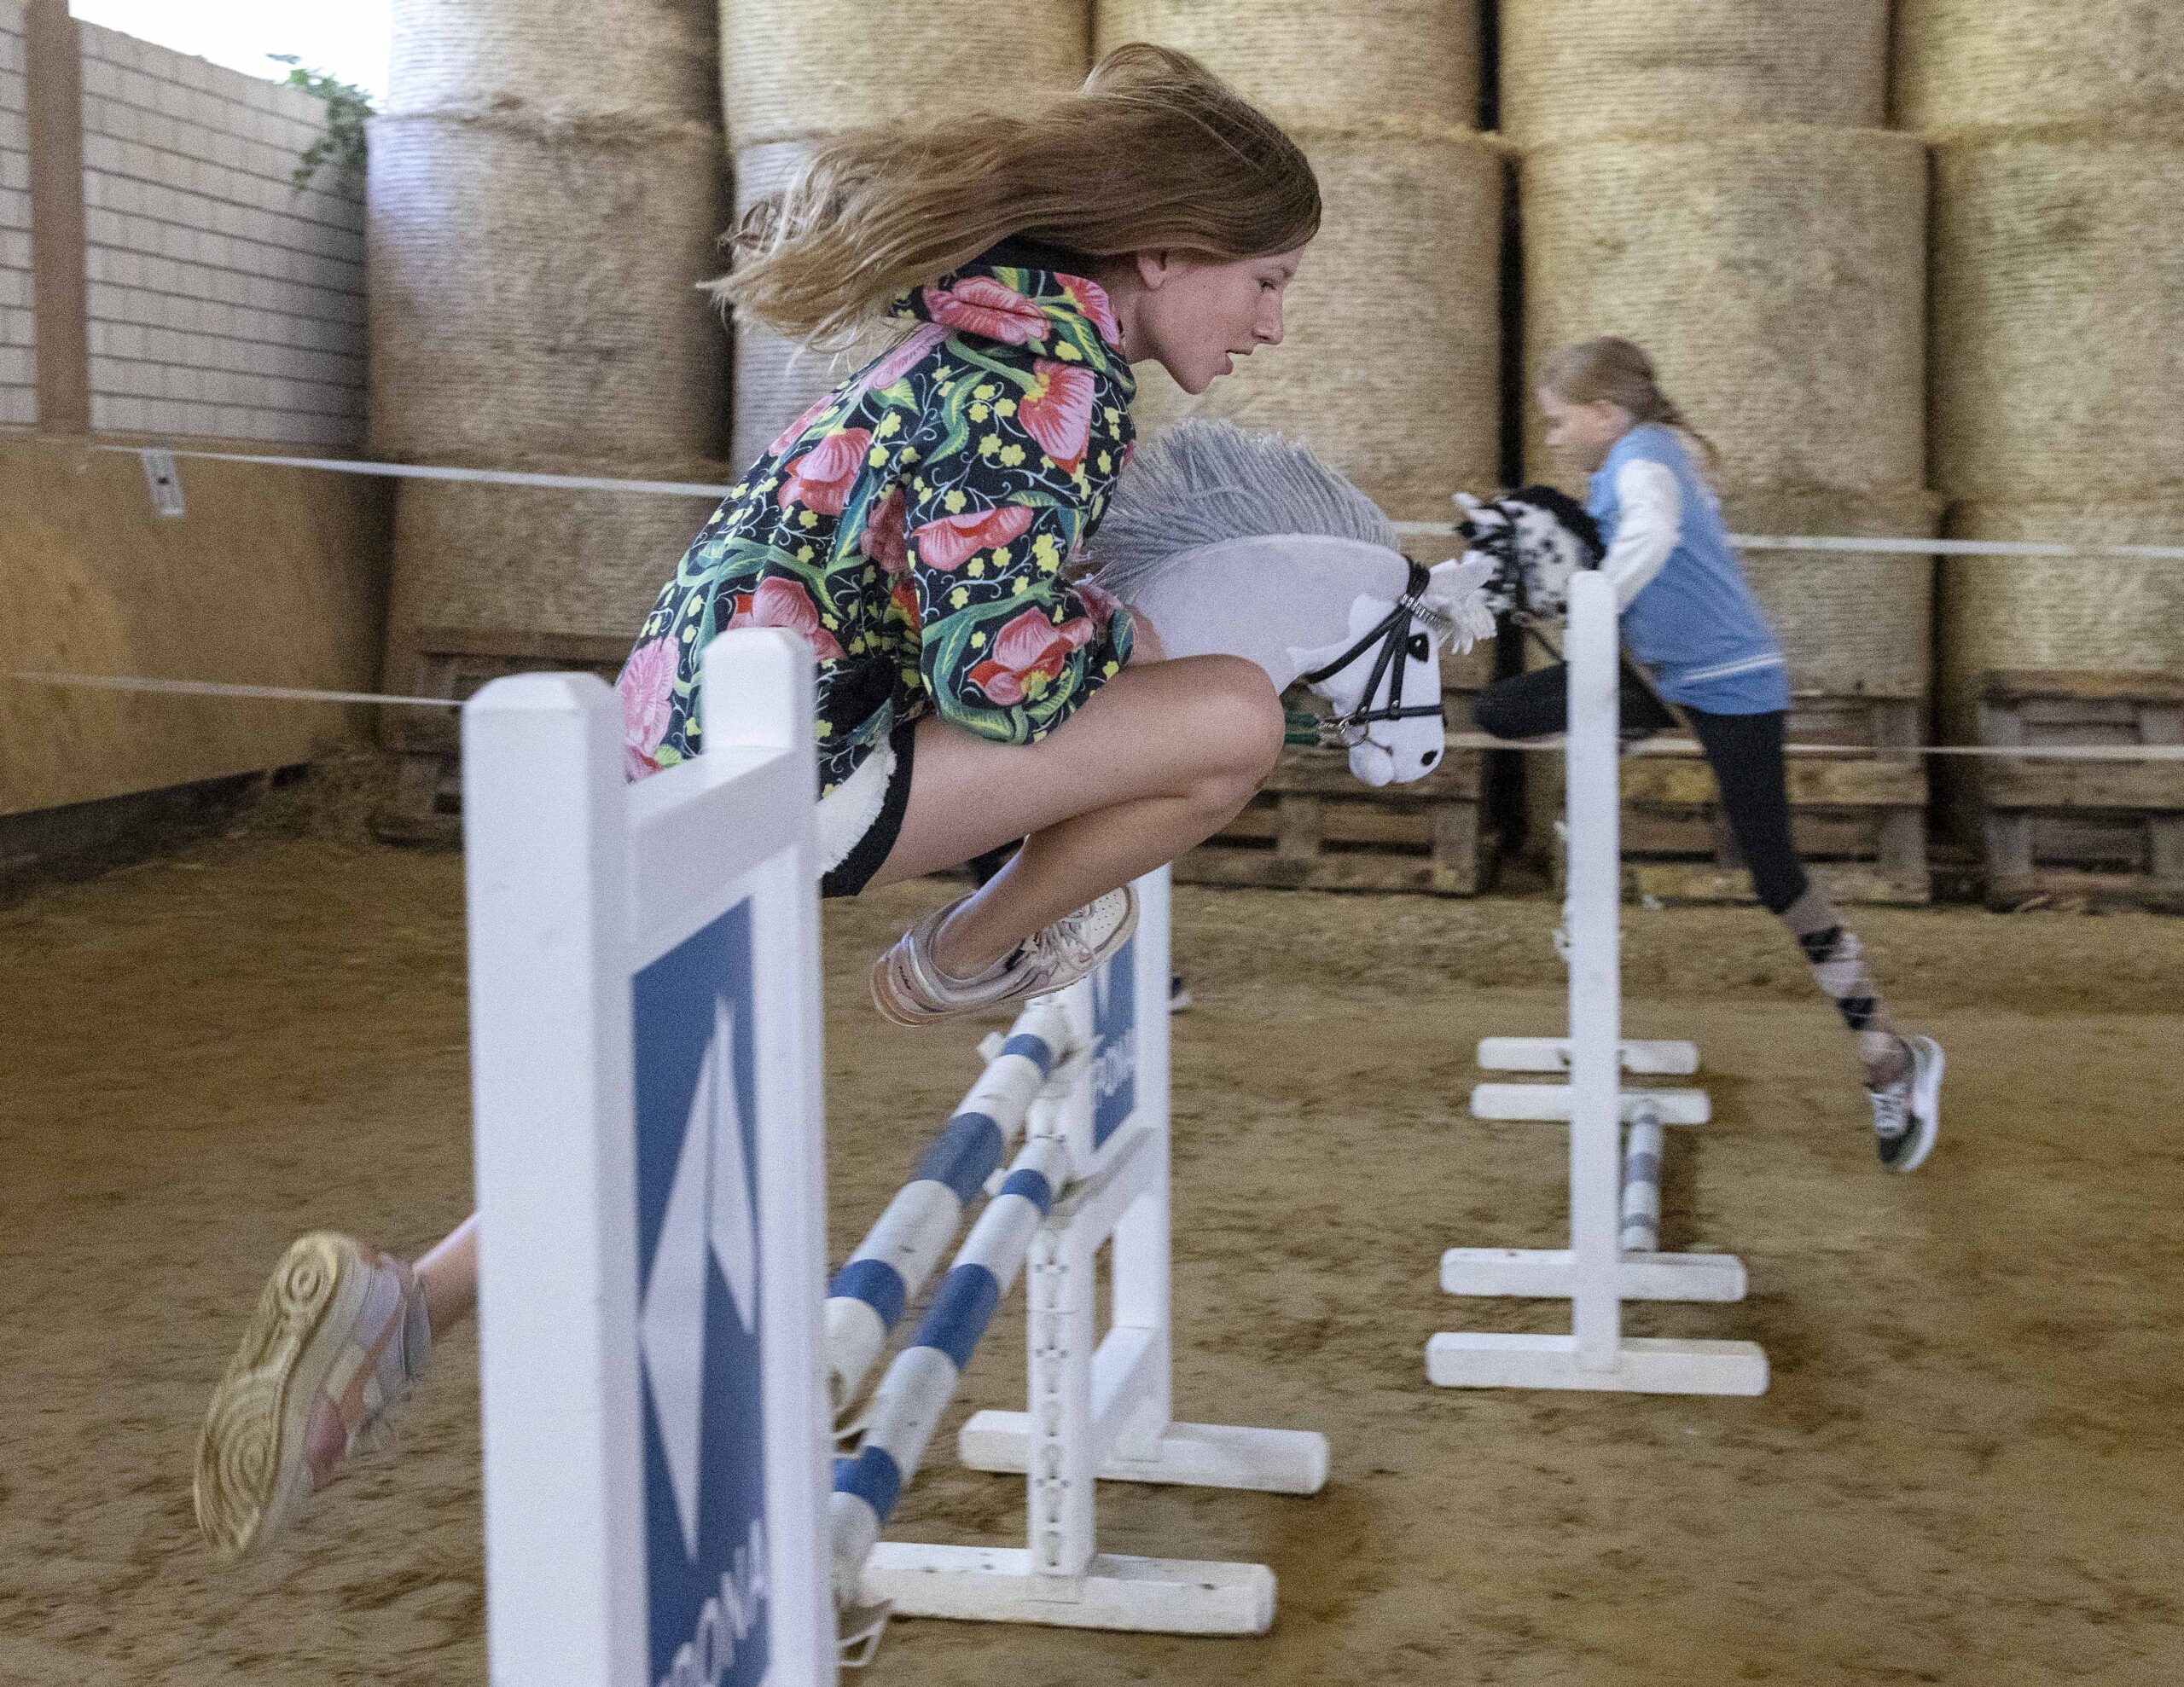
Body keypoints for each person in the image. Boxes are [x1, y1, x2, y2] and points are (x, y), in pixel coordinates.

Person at [192, 43, 1319, 1562]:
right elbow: (1003, 677)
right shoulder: (1053, 378)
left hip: (694, 746)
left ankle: (398, 1314)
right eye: (1267, 278)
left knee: (644, 1113)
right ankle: (966, 953)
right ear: (1168, 251)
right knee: (1233, 713)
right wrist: (1148, 645)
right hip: (802, 768)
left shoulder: (988, 334)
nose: (1272, 321)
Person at [1470, 336, 1944, 1174]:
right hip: (1657, 674)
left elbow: (1651, 535)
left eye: (1558, 420)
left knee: (1774, 873)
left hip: (1731, 683)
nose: (1552, 436)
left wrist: (1593, 599)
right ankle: (1586, 925)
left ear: (1605, 414)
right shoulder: (1626, 465)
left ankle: (1886, 1055)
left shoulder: (1644, 462)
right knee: (1504, 709)